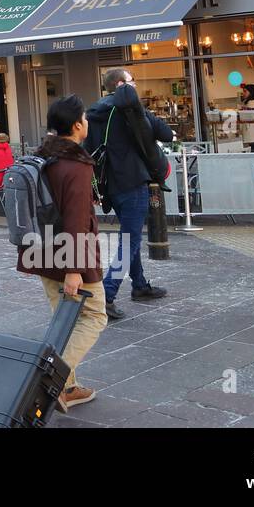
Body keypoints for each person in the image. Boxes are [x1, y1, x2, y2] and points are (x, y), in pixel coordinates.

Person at [16, 94, 107, 411]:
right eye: (85, 117)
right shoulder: (77, 166)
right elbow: (77, 221)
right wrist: (74, 270)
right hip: (70, 255)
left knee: (64, 320)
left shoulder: (43, 157)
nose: (87, 122)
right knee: (95, 316)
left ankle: (66, 390)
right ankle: (51, 379)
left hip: (41, 251)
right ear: (77, 125)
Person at [86, 68, 173, 320]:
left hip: (110, 185)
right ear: (122, 84)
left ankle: (140, 285)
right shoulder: (131, 110)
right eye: (132, 81)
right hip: (134, 181)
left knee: (129, 234)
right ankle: (107, 294)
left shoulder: (94, 112)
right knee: (130, 241)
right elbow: (165, 134)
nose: (135, 85)